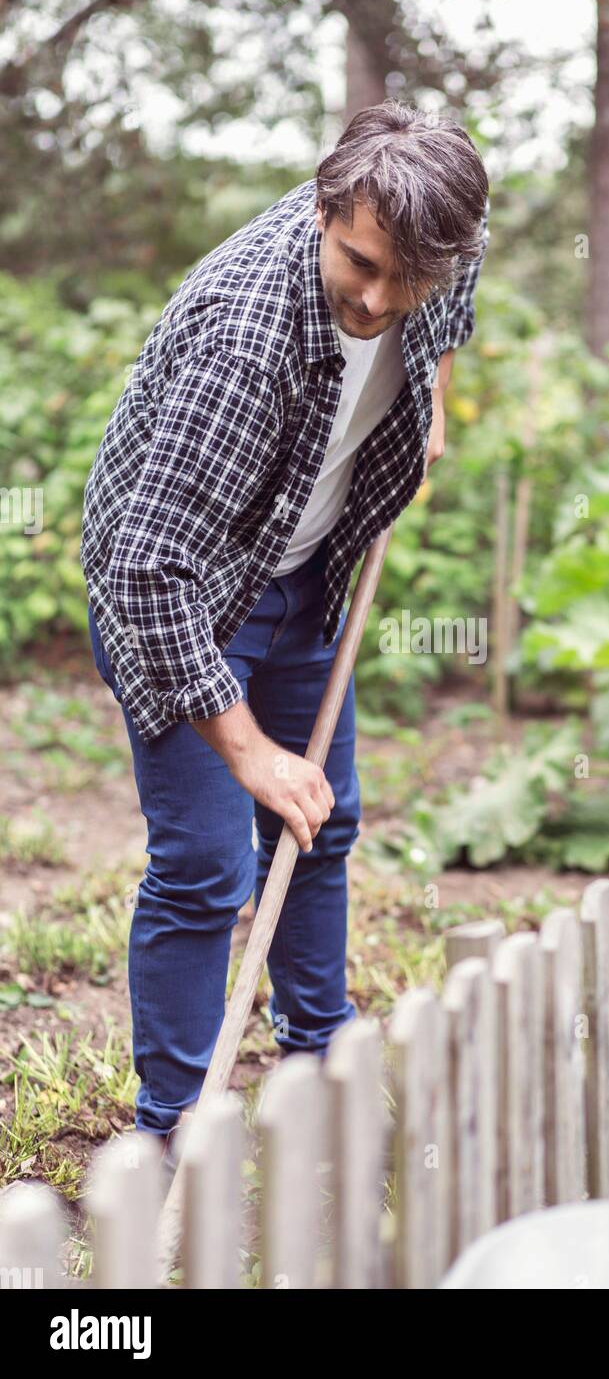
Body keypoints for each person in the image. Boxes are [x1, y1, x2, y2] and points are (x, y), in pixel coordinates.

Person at [79, 98, 490, 1157]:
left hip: (307, 568)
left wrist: (431, 404)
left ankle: (318, 1059)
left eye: (407, 280)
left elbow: (450, 306)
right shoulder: (244, 333)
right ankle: (174, 1132)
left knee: (322, 821)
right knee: (207, 865)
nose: (377, 298)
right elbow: (145, 570)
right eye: (358, 262)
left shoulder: (435, 249)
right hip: (182, 595)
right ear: (323, 208)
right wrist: (247, 748)